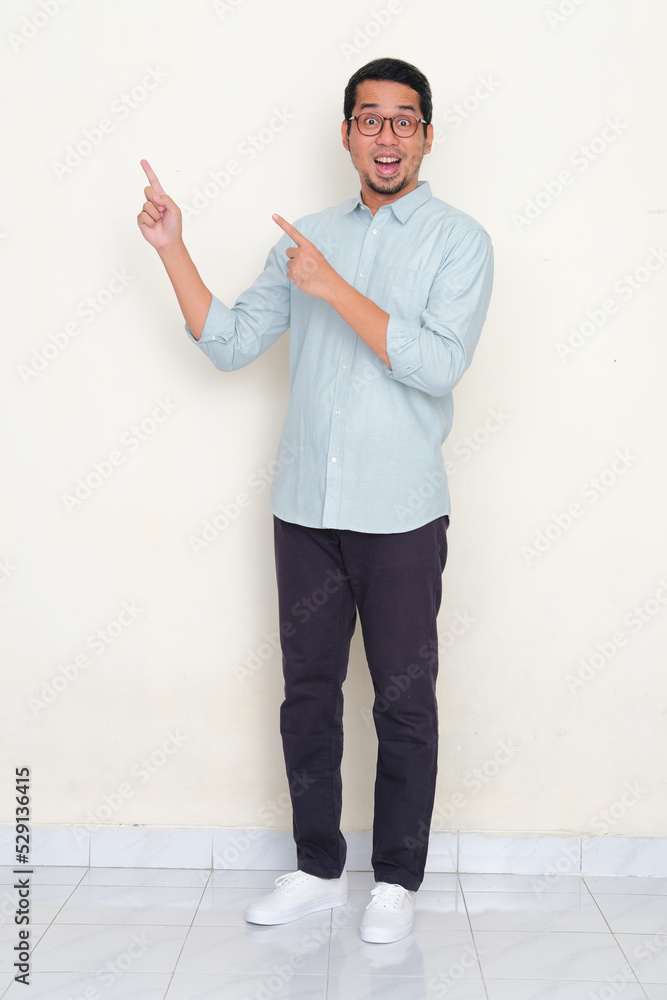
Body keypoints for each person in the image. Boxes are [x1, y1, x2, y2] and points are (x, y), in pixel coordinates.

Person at [137, 56, 493, 944]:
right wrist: (172, 246)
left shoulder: (459, 241)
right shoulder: (301, 240)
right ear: (345, 133)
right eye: (368, 119)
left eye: (402, 120)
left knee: (403, 702)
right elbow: (226, 343)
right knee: (308, 691)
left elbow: (439, 364)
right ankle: (315, 866)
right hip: (304, 508)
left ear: (426, 135)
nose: (385, 136)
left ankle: (396, 882)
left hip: (401, 510)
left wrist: (333, 287)